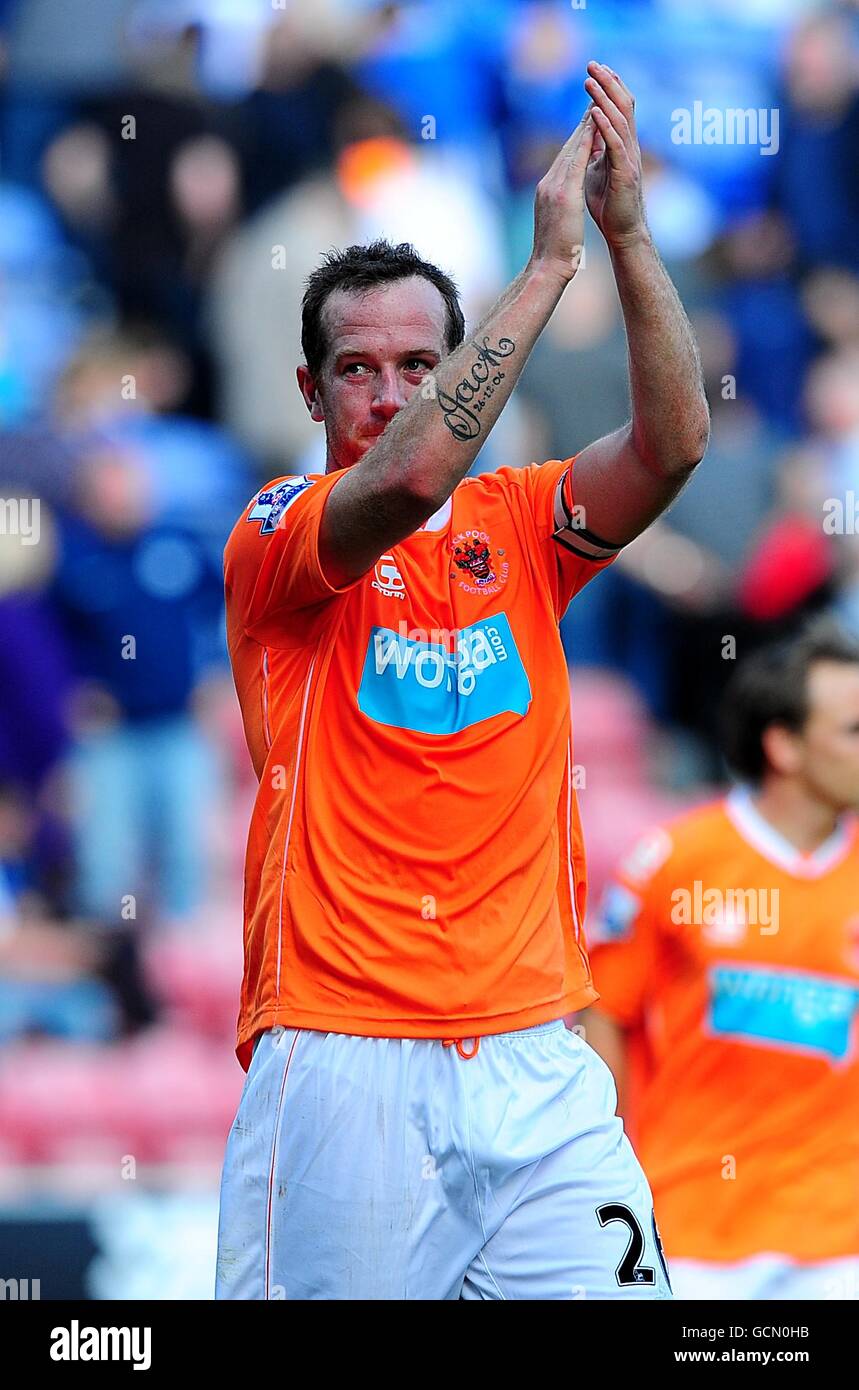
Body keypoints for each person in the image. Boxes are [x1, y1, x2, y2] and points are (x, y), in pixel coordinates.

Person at [215, 61, 709, 1300]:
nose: (389, 397)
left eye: (416, 366)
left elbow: (673, 443)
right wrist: (544, 269)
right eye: (357, 370)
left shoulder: (523, 523)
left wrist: (626, 239)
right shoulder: (281, 532)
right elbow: (406, 484)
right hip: (342, 1051)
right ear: (308, 391)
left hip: (538, 1055)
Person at [582, 623, 859, 1300]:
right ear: (783, 746)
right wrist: (609, 1180)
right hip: (690, 1226)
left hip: (837, 1236)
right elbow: (603, 1015)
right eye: (852, 730)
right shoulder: (677, 862)